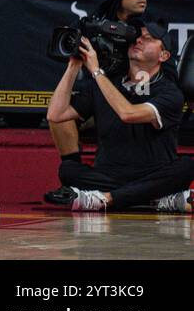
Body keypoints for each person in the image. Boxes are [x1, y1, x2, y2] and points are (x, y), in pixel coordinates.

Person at [45, 16, 194, 212]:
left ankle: (105, 199)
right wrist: (74, 65)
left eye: (149, 38)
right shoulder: (105, 83)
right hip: (110, 175)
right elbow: (55, 115)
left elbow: (127, 113)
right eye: (138, 37)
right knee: (68, 170)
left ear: (164, 56)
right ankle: (153, 199)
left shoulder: (169, 92)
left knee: (186, 166)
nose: (139, 40)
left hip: (153, 173)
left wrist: (97, 71)